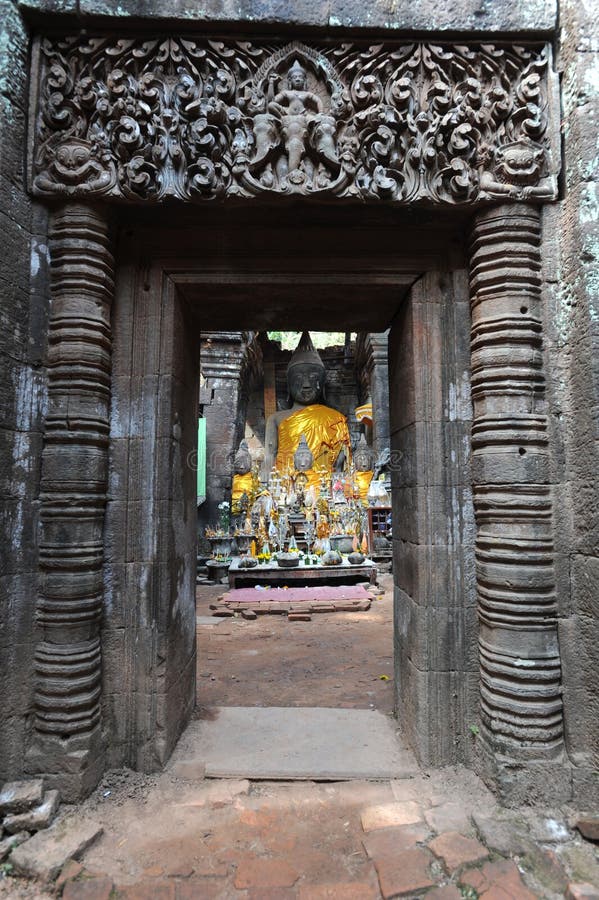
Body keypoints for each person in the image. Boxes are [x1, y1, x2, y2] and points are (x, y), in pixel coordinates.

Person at [263, 332, 350, 488]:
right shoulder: (276, 419)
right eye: (298, 378)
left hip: (323, 488)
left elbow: (340, 464)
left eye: (313, 377)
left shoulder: (334, 418)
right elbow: (269, 456)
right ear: (288, 385)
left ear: (323, 384)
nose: (306, 384)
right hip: (285, 485)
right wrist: (265, 482)